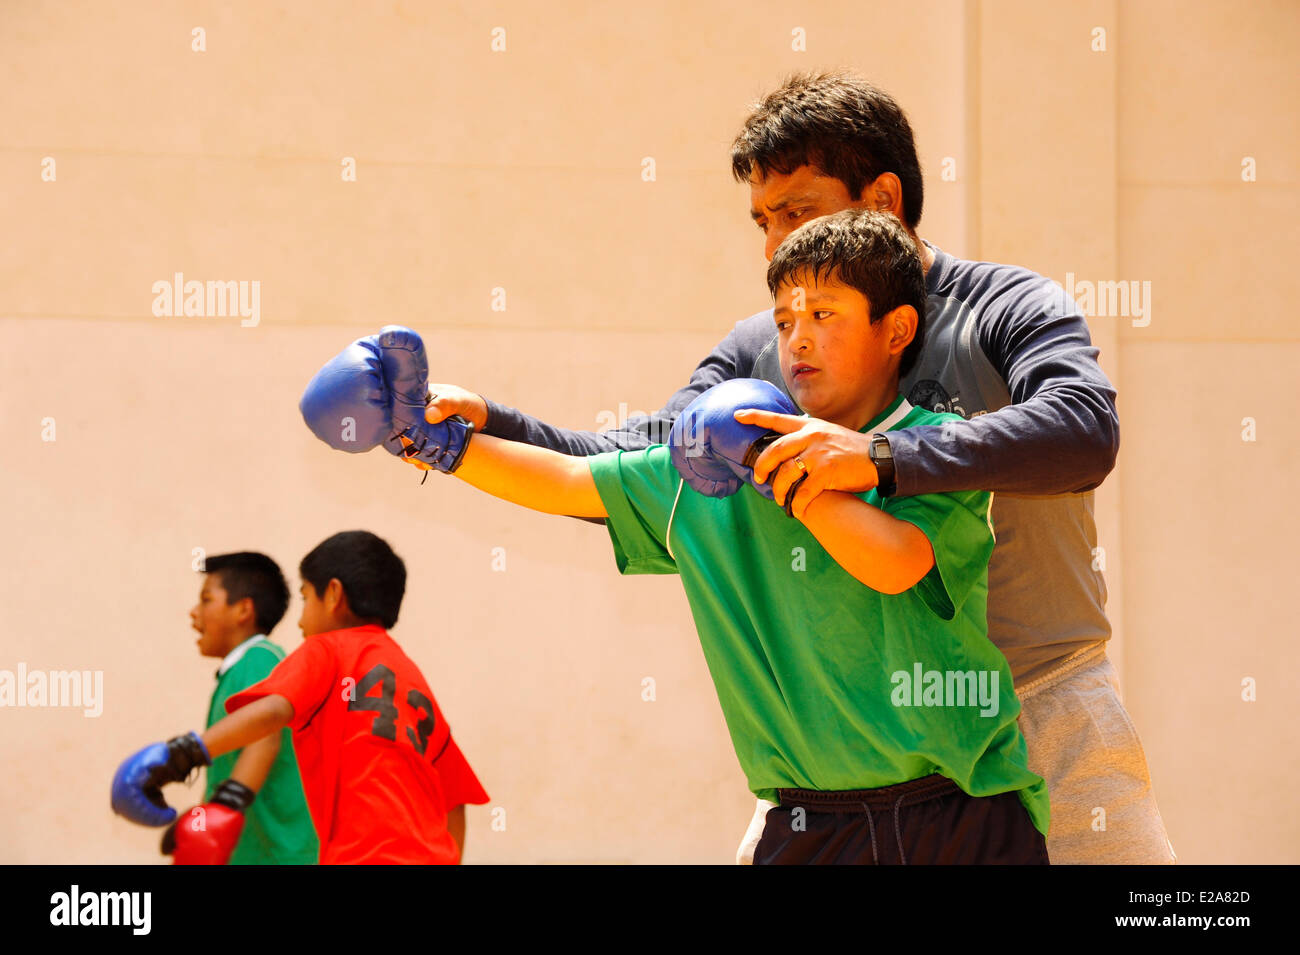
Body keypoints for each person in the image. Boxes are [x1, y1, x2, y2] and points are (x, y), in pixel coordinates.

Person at [412, 72, 1173, 865]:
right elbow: (643, 460)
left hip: (1039, 699)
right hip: (849, 754)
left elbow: (1085, 430)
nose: (775, 245)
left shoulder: (1006, 303)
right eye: (762, 222)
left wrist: (879, 457)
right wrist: (479, 428)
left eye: (797, 212)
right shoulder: (767, 346)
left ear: (881, 200)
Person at [301, 210, 1051, 864]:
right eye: (785, 320)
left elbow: (893, 563)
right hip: (808, 822)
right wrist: (443, 442)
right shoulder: (710, 459)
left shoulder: (928, 447)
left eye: (824, 315)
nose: (798, 340)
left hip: (960, 814)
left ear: (896, 331)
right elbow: (567, 480)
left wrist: (768, 466)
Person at [112, 531, 489, 865]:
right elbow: (454, 799)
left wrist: (179, 756)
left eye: (306, 597)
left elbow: (272, 712)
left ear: (334, 596)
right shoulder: (411, 677)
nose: (299, 620)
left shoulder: (325, 648)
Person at [166, 551, 317, 864]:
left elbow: (265, 737)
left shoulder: (260, 659)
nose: (194, 613)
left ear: (243, 610)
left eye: (206, 600)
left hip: (278, 855)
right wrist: (199, 816)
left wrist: (221, 810)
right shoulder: (237, 671)